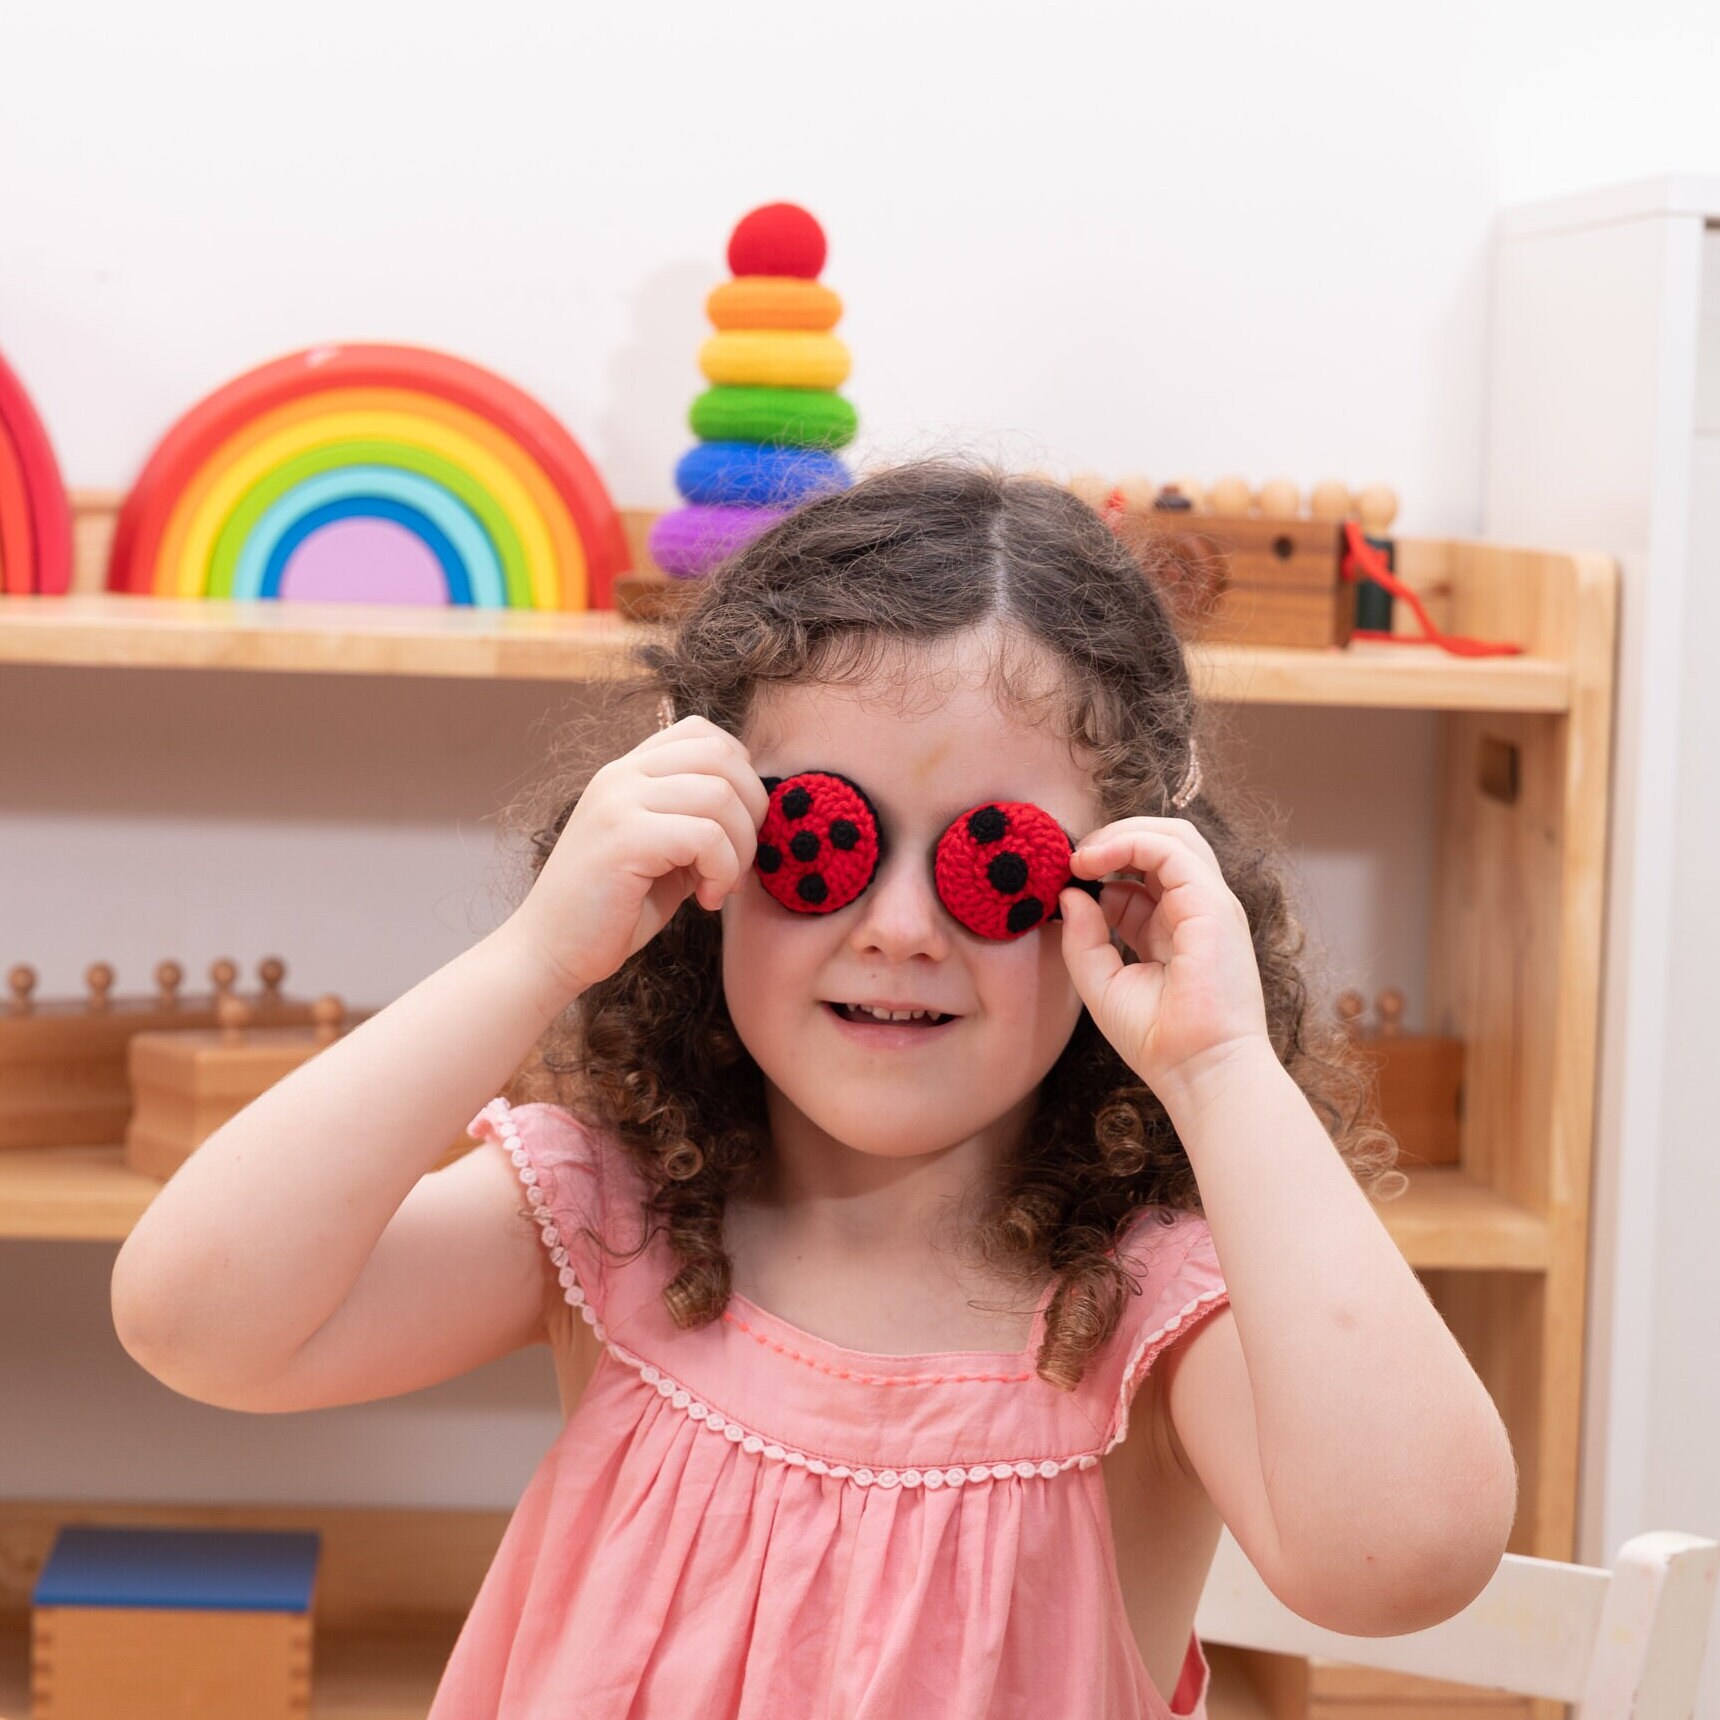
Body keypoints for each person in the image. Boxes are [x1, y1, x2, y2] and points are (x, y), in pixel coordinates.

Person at [110, 460, 1518, 1719]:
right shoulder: (623, 1218)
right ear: (700, 851)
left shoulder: (1143, 1314)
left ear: (1129, 886)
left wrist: (1221, 1068)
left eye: (996, 865)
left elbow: (1406, 1561)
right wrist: (538, 950)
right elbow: (197, 1324)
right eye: (822, 841)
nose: (902, 926)